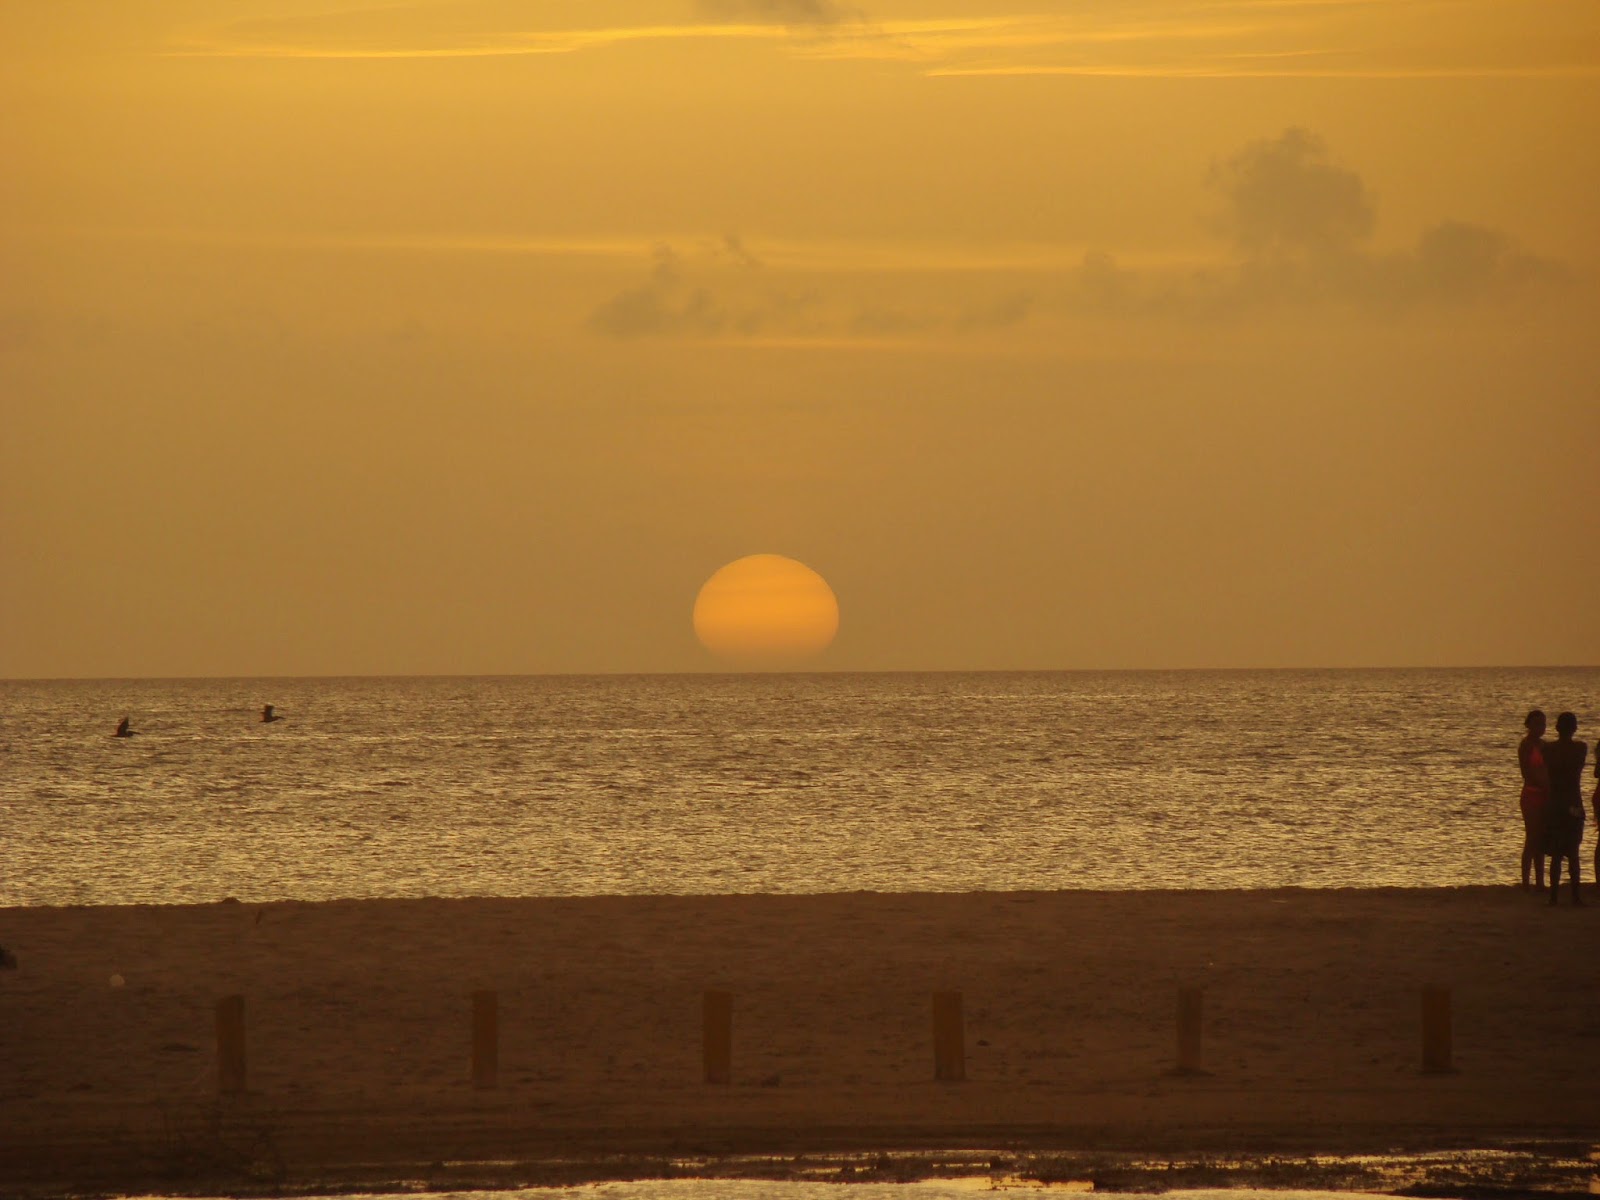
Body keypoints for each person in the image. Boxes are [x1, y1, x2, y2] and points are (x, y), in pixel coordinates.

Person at [1542, 711, 1587, 906]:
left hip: (1555, 803)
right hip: (1573, 802)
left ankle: (1553, 896)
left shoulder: (1548, 749)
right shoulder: (1580, 748)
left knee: (1557, 853)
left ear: (1557, 728)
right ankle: (1575, 896)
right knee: (1573, 851)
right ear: (1574, 728)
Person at [1517, 710, 1549, 889]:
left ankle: (1540, 881)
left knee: (1541, 838)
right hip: (1531, 794)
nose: (1541, 728)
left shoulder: (1545, 745)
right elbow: (1526, 773)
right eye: (1537, 724)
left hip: (1545, 794)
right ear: (1529, 725)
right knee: (1531, 837)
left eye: (1543, 724)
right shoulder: (1526, 746)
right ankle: (1525, 882)